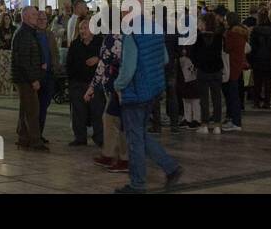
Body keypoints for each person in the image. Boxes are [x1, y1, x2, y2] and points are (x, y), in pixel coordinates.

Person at [113, 16, 183, 193]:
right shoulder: (156, 31)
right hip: (152, 91)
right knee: (141, 135)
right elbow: (165, 58)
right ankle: (171, 168)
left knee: (135, 140)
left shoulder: (132, 35)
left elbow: (128, 70)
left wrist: (117, 85)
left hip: (135, 93)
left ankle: (137, 184)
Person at [11, 6, 47, 151]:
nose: (36, 17)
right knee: (32, 110)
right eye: (33, 14)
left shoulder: (29, 32)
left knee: (26, 108)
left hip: (25, 77)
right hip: (25, 79)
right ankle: (35, 141)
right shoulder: (24, 34)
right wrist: (34, 79)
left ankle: (23, 137)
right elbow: (24, 61)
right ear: (25, 17)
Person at [65, 20, 103, 147]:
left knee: (97, 111)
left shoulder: (99, 43)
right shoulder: (75, 45)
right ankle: (80, 137)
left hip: (94, 84)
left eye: (85, 28)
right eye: (81, 28)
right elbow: (69, 64)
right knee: (78, 112)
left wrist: (98, 59)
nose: (82, 31)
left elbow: (107, 59)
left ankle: (100, 137)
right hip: (78, 83)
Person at [191, 12, 224, 135]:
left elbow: (193, 55)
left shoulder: (198, 37)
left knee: (204, 99)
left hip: (203, 71)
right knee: (217, 98)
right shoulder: (219, 36)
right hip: (216, 70)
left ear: (204, 23)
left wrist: (197, 64)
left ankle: (204, 125)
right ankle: (217, 125)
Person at [222, 11, 248, 132]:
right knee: (234, 94)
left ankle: (236, 122)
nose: (225, 22)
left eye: (226, 20)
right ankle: (234, 120)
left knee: (233, 96)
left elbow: (226, 49)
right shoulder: (242, 33)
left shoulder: (231, 34)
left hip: (231, 66)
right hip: (237, 65)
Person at [249, 7, 271, 109]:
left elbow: (252, 47)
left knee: (257, 82)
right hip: (269, 59)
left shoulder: (255, 30)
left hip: (257, 59)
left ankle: (256, 102)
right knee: (267, 81)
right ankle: (267, 102)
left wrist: (250, 60)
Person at [34, 9, 55, 136]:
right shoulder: (33, 35)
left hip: (49, 73)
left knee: (44, 105)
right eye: (40, 19)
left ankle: (39, 133)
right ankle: (35, 134)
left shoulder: (49, 34)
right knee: (37, 107)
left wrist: (55, 66)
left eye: (44, 19)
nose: (42, 22)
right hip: (37, 75)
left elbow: (54, 52)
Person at [0, 12, 15, 96]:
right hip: (2, 51)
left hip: (10, 51)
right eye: (5, 19)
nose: (7, 20)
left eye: (8, 18)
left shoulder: (13, 29)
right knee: (1, 71)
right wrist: (2, 41)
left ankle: (8, 89)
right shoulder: (0, 29)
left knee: (9, 71)